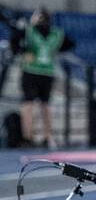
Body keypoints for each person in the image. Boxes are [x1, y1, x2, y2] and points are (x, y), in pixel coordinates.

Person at [11, 8, 75, 148]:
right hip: (47, 71)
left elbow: (14, 40)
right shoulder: (56, 33)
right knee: (45, 105)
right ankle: (47, 137)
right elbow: (71, 44)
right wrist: (55, 51)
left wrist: (21, 52)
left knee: (28, 104)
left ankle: (27, 137)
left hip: (31, 70)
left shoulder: (29, 30)